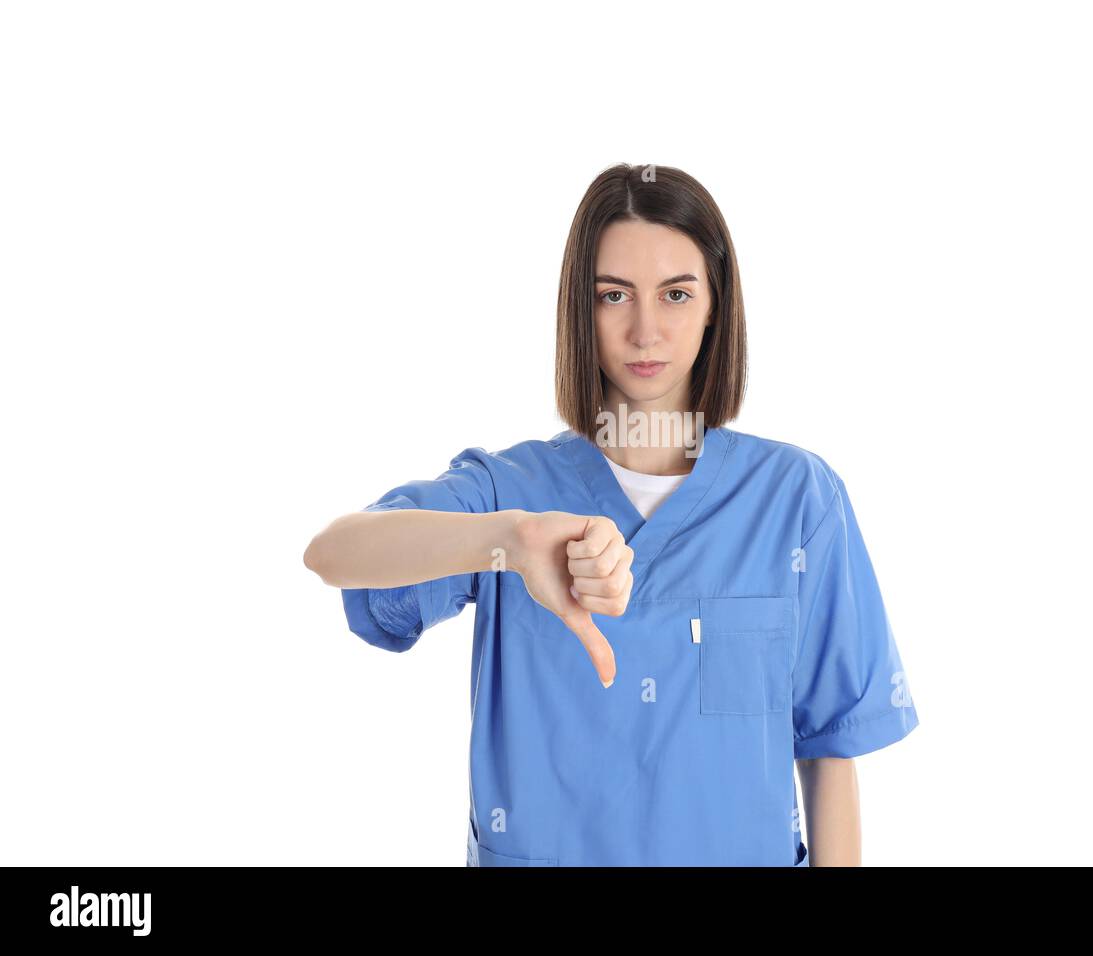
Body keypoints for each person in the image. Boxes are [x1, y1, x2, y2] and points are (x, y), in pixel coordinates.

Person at [303, 163, 919, 867]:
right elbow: (333, 553)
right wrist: (511, 539)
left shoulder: (797, 499)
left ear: (716, 305)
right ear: (578, 308)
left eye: (677, 294)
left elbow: (830, 745)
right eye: (613, 295)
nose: (645, 329)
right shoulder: (512, 490)